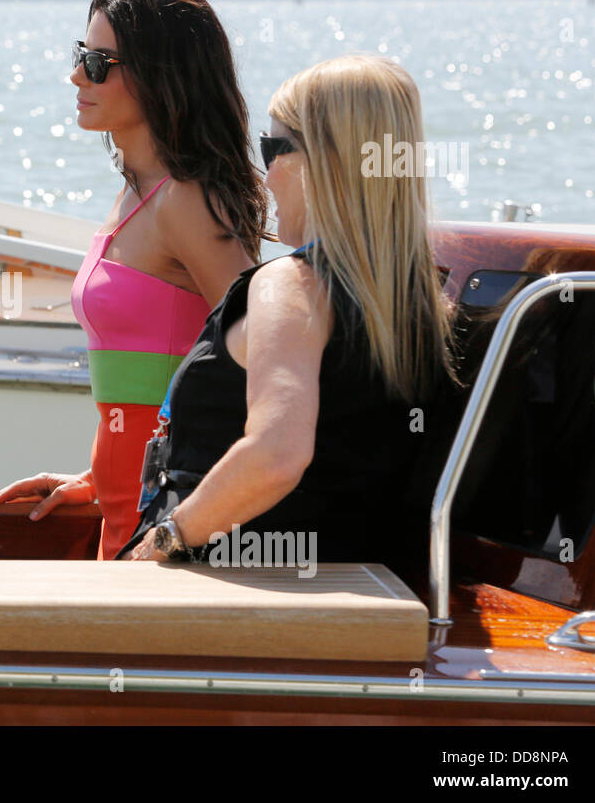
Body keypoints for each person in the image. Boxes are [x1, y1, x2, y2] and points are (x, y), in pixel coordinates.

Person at [126, 54, 456, 567]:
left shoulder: (293, 285)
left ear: (328, 161)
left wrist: (165, 541)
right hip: (350, 588)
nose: (266, 173)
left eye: (274, 148)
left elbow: (277, 455)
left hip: (228, 588)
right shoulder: (424, 304)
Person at [0, 0, 267, 558]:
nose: (77, 76)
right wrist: (95, 478)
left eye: (98, 62)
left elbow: (259, 363)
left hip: (168, 525)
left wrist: (182, 519)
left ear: (161, 73)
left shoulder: (185, 200)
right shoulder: (137, 193)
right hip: (126, 509)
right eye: (79, 56)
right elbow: (142, 392)